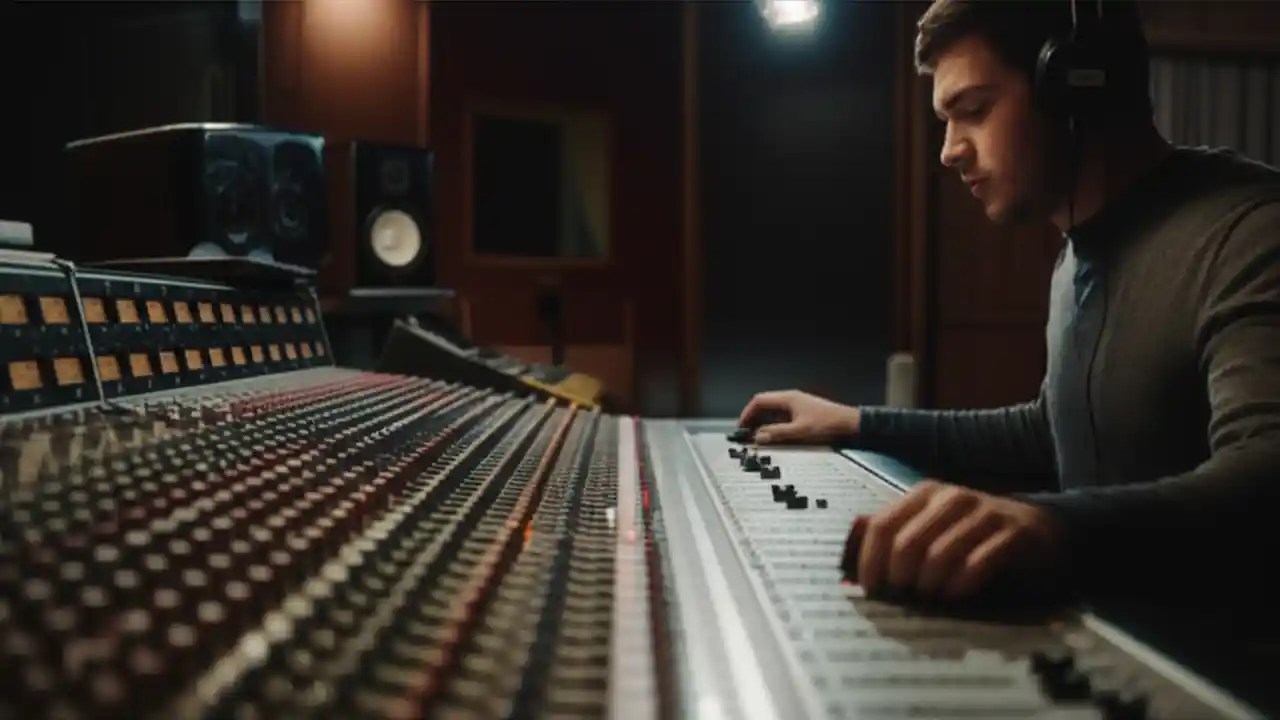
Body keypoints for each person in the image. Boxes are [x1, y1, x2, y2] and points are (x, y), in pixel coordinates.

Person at [738, 0, 1280, 605]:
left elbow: (1265, 473)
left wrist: (1048, 526)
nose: (948, 150)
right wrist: (858, 423)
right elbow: (1051, 431)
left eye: (973, 110)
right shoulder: (1078, 250)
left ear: (1074, 86)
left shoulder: (1252, 236)